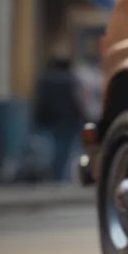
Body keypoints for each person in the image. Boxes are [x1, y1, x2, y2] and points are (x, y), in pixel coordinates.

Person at [33, 41, 84, 182]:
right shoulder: (71, 80)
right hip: (68, 122)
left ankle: (54, 175)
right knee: (64, 152)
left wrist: (38, 119)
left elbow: (41, 102)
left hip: (50, 121)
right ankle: (58, 177)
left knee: (51, 152)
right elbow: (77, 102)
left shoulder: (45, 79)